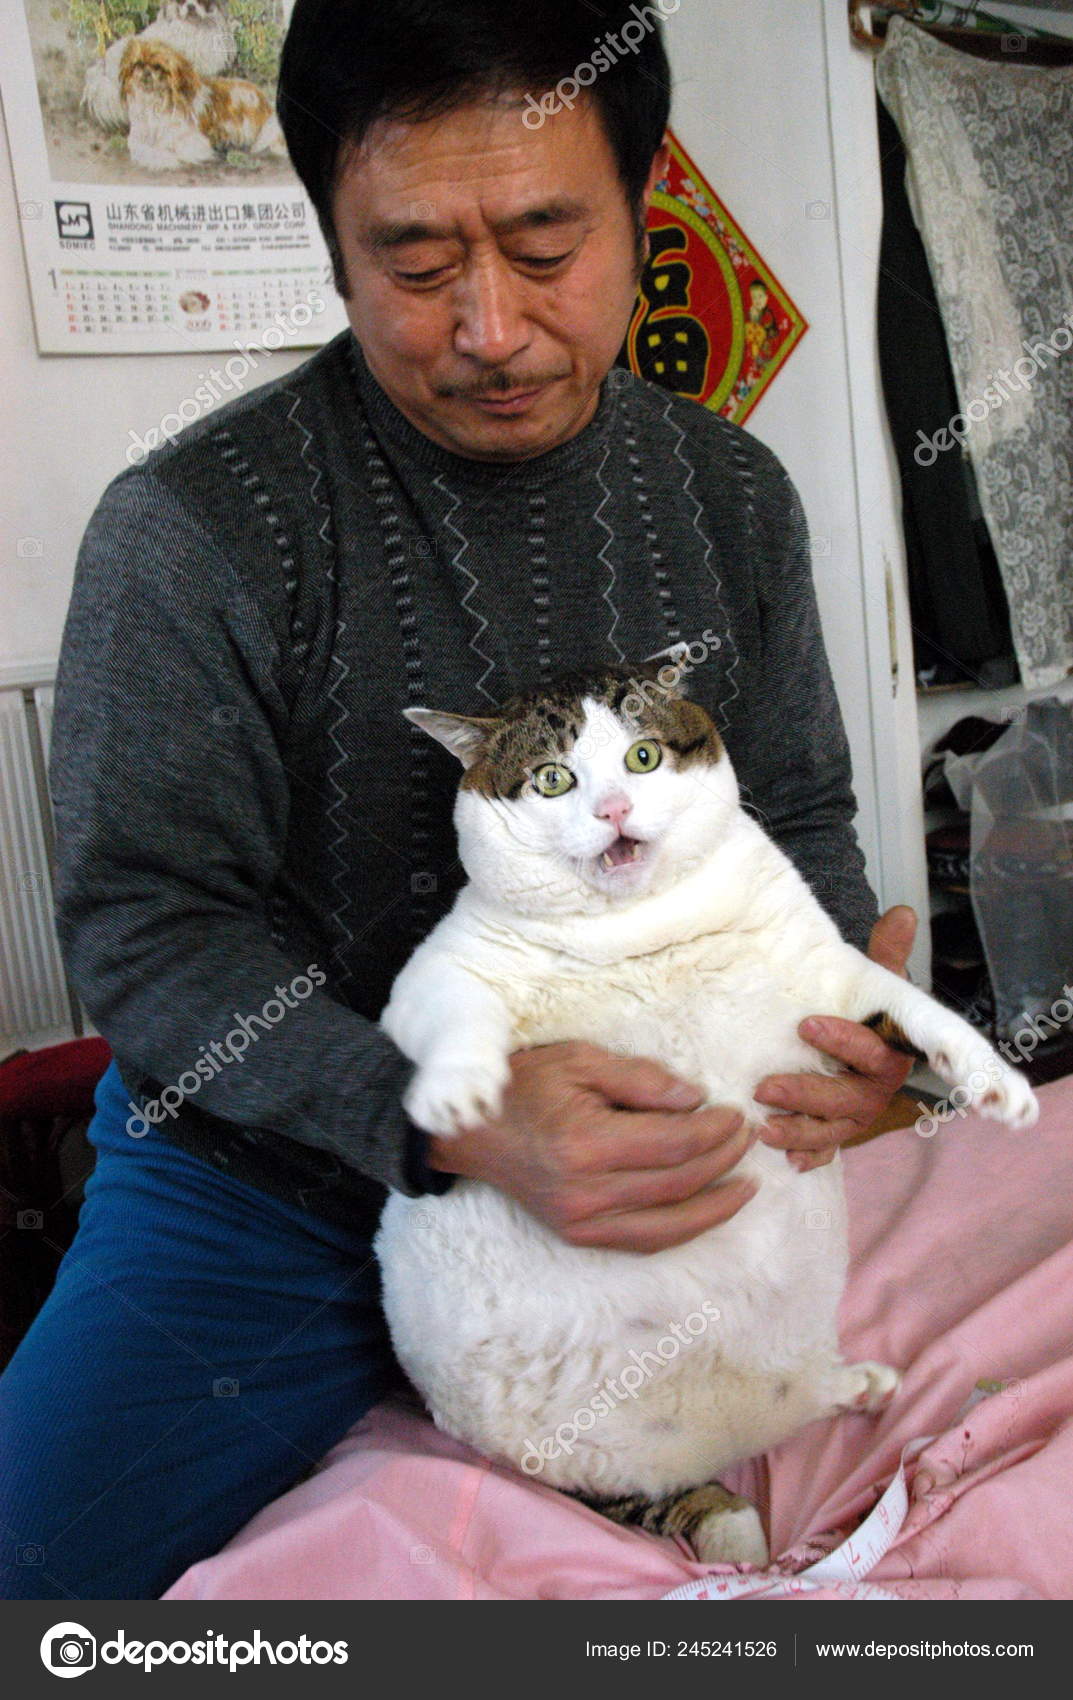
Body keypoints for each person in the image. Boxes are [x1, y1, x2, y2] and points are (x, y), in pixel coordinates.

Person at [0, 0, 915, 1601]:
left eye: (546, 247)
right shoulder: (198, 527)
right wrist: (451, 1122)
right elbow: (150, 932)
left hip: (655, 1162)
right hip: (273, 1188)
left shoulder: (729, 497)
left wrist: (841, 1029)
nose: (490, 327)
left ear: (643, 209)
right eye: (417, 265)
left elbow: (798, 813)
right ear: (332, 244)